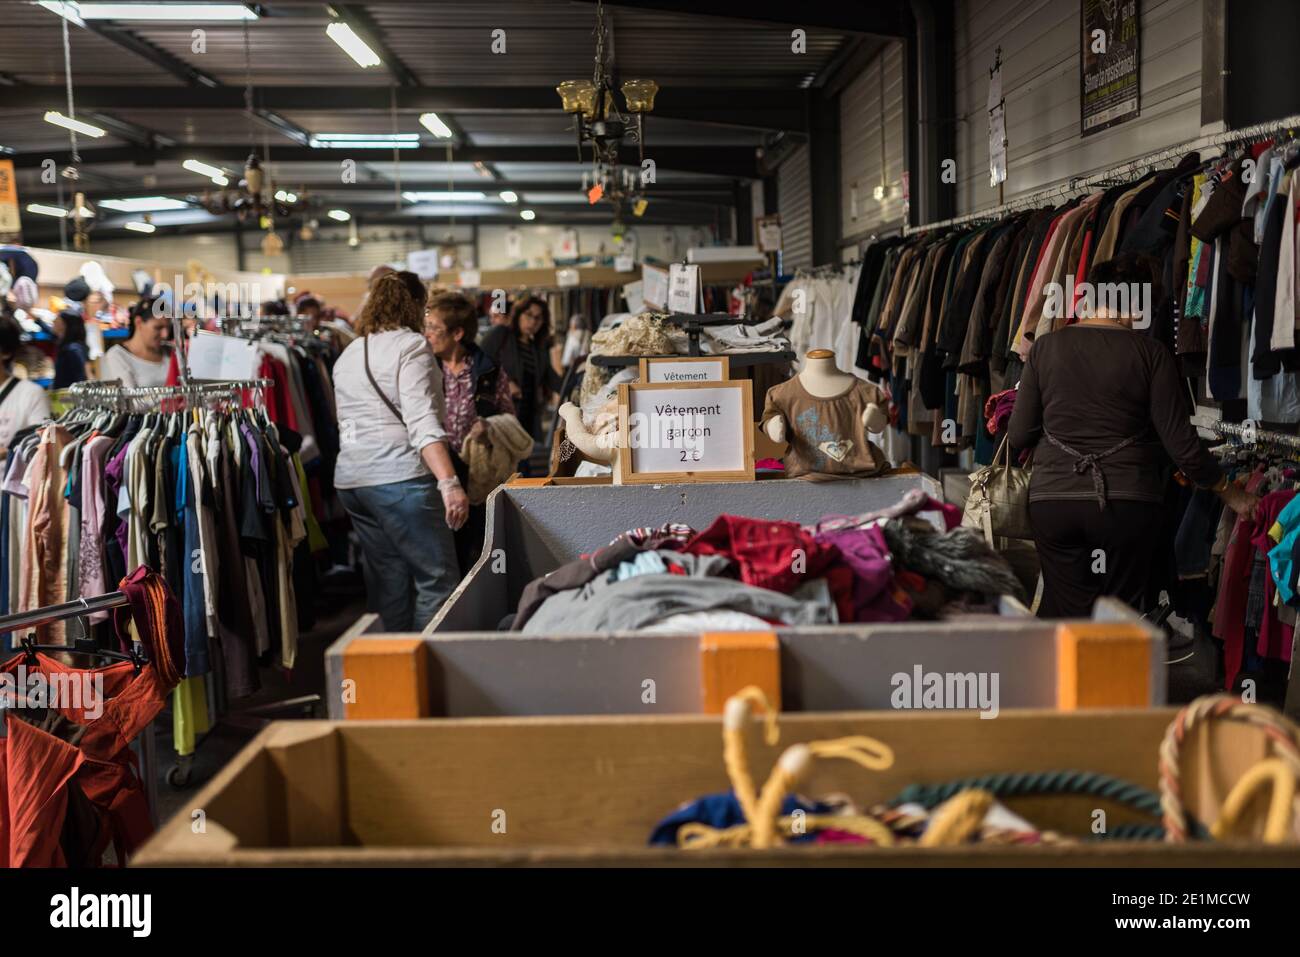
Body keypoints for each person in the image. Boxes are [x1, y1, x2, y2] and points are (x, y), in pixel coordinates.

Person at [1007, 253, 1259, 619]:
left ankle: (1061, 673)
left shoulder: (1045, 348)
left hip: (1053, 500)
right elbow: (1183, 448)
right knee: (1116, 616)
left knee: (1065, 611)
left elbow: (1018, 434)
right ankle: (1108, 673)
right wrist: (1232, 494)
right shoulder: (1151, 354)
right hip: (1126, 504)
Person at [332, 273, 469, 631]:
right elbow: (422, 420)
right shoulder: (411, 346)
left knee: (388, 583)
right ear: (414, 306)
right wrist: (449, 482)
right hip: (400, 479)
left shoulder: (348, 352)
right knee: (436, 580)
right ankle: (428, 672)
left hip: (353, 482)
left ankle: (394, 675)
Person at [423, 290, 516, 574]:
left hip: (478, 474)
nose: (427, 334)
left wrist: (489, 428)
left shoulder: (488, 371)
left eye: (433, 328)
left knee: (476, 548)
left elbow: (509, 418)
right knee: (441, 552)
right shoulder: (422, 368)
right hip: (436, 472)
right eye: (425, 326)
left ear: (458, 333)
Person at [479, 295, 562, 458]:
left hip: (528, 414)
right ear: (518, 314)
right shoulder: (501, 334)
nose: (533, 322)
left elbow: (553, 380)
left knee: (525, 461)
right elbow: (478, 363)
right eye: (529, 315)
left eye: (538, 318)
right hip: (501, 414)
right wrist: (505, 382)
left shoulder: (537, 348)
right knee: (501, 462)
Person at [0, 314, 51, 457]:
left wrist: (7, 452)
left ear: (6, 352)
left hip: (10, 477)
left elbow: (44, 443)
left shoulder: (31, 394)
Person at [100, 298, 171, 388]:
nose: (165, 335)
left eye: (167, 328)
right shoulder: (117, 356)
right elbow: (129, 398)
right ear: (139, 322)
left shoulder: (170, 352)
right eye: (158, 328)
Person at [52, 310, 89, 388]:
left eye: (57, 319)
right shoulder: (69, 347)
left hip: (68, 397)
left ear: (65, 324)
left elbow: (80, 378)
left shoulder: (73, 350)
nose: (54, 321)